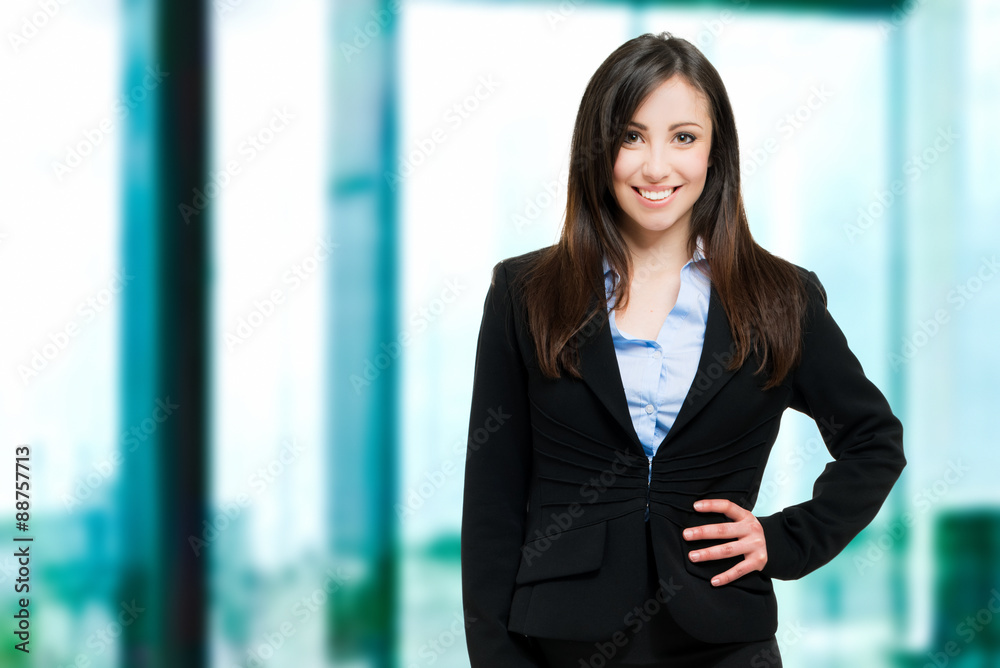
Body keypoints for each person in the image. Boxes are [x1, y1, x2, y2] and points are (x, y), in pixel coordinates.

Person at [460, 32, 906, 667]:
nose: (656, 167)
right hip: (561, 642)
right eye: (632, 136)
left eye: (684, 138)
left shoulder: (781, 297)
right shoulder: (524, 292)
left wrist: (781, 541)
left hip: (724, 641)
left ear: (714, 152)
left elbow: (874, 441)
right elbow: (492, 501)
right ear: (598, 148)